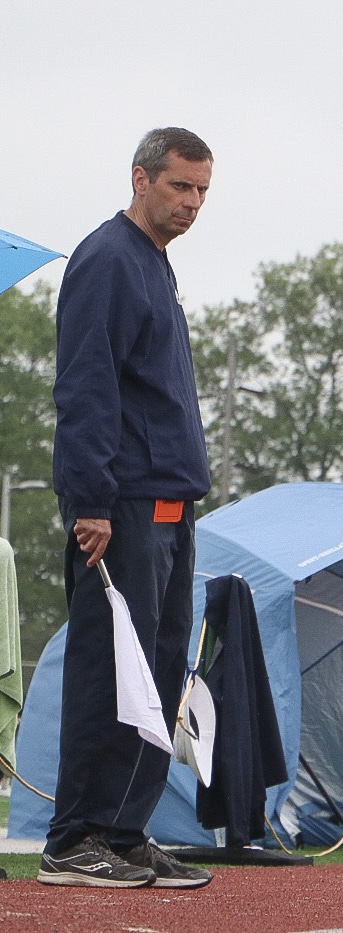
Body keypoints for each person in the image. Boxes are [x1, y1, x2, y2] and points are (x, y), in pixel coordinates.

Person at [41, 128, 216, 889]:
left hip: (173, 504)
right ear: (141, 178)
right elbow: (86, 386)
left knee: (159, 673)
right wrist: (90, 500)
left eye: (203, 191)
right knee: (108, 672)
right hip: (122, 505)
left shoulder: (157, 266)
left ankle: (123, 827)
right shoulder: (108, 258)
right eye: (180, 187)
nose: (192, 203)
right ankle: (74, 836)